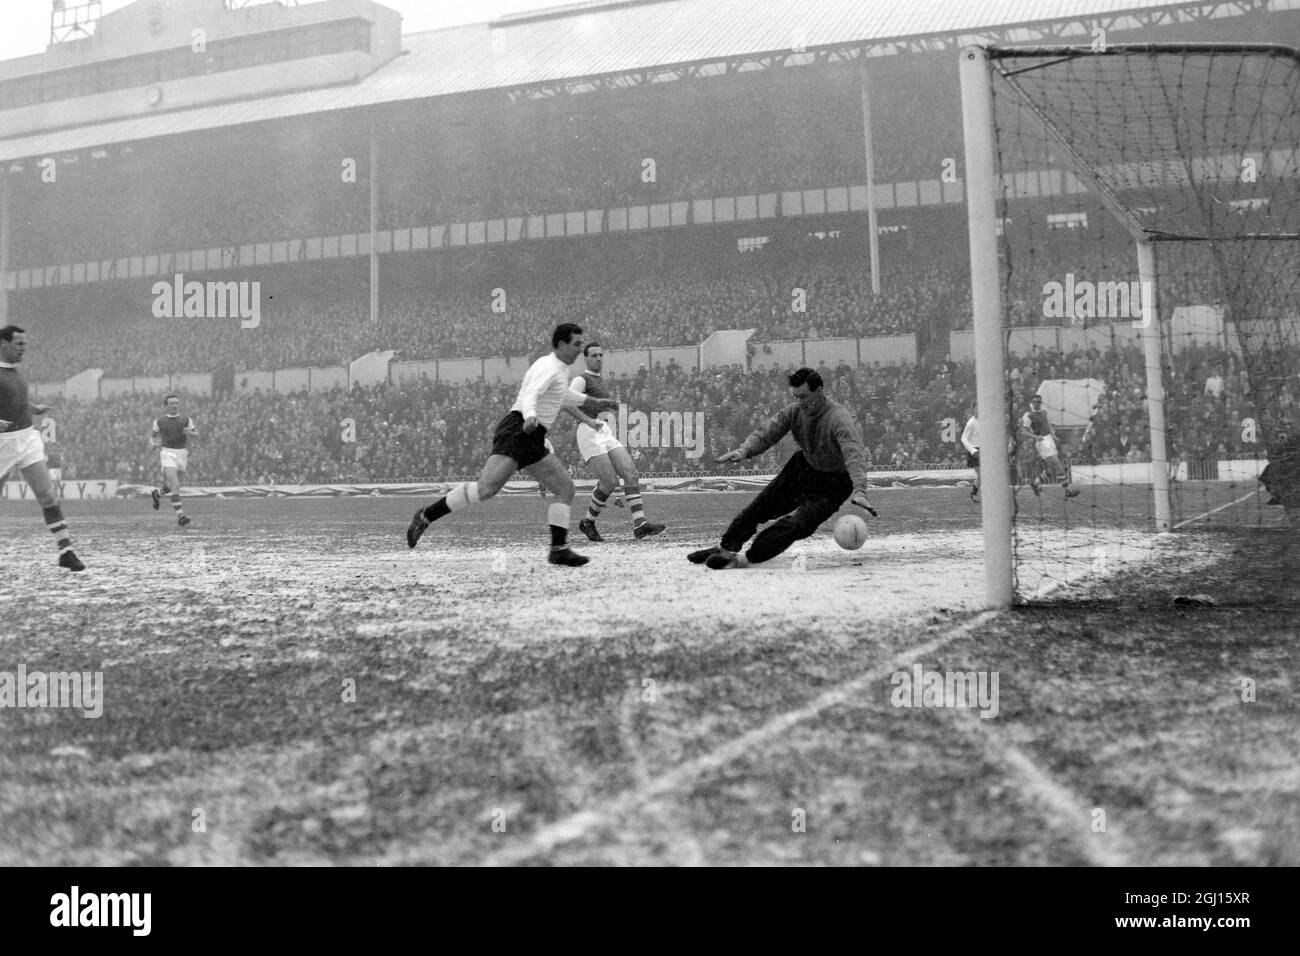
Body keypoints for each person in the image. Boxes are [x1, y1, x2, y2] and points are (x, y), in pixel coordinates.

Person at [405, 324, 619, 566]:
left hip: (533, 435)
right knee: (486, 490)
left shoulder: (558, 370)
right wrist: (529, 416)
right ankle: (425, 516)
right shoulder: (549, 367)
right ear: (561, 344)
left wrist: (595, 401)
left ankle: (558, 549)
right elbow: (531, 395)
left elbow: (564, 397)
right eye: (577, 345)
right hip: (519, 429)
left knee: (565, 489)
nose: (580, 350)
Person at [687, 368, 878, 570]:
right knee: (759, 508)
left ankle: (746, 559)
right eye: (795, 397)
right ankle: (725, 549)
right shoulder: (794, 411)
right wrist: (745, 450)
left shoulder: (840, 419)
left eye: (804, 396)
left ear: (819, 391)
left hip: (835, 484)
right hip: (803, 468)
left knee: (799, 525)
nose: (800, 402)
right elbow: (768, 432)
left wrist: (860, 490)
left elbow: (854, 454)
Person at [0, 326, 84, 571]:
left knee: (48, 495)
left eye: (24, 344)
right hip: (3, 444)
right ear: (4, 344)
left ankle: (66, 551)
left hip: (27, 439)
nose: (24, 348)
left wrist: (33, 408)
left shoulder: (16, 372)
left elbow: (15, 399)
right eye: (19, 344)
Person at [568, 342, 665, 542]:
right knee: (609, 482)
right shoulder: (581, 379)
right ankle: (588, 522)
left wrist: (612, 408)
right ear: (586, 358)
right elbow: (565, 402)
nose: (598, 358)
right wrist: (588, 420)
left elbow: (598, 405)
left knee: (630, 473)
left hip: (604, 429)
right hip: (588, 431)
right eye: (594, 355)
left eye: (600, 355)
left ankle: (640, 525)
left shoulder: (600, 381)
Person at [149, 394, 197, 526]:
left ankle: (157, 494)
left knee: (171, 486)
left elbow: (196, 434)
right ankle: (181, 516)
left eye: (176, 403)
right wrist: (153, 444)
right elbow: (152, 437)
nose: (175, 405)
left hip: (182, 453)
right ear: (166, 406)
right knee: (175, 485)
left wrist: (189, 433)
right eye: (171, 403)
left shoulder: (186, 420)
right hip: (167, 453)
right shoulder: (159, 421)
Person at [1020, 393, 1080, 497]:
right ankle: (1067, 489)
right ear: (1032, 403)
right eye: (1035, 402)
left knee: (1052, 467)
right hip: (1042, 441)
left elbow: (1047, 424)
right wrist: (1035, 437)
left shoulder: (1044, 413)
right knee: (1056, 464)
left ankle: (1036, 483)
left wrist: (1053, 435)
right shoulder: (1028, 416)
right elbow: (1024, 432)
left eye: (1039, 402)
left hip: (1049, 440)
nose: (1037, 404)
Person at [961, 407, 980, 502]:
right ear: (974, 410)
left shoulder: (986, 420)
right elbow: (964, 438)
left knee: (982, 476)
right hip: (976, 450)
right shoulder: (971, 423)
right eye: (976, 408)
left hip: (986, 449)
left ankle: (973, 494)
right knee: (982, 475)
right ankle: (974, 494)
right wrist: (973, 451)